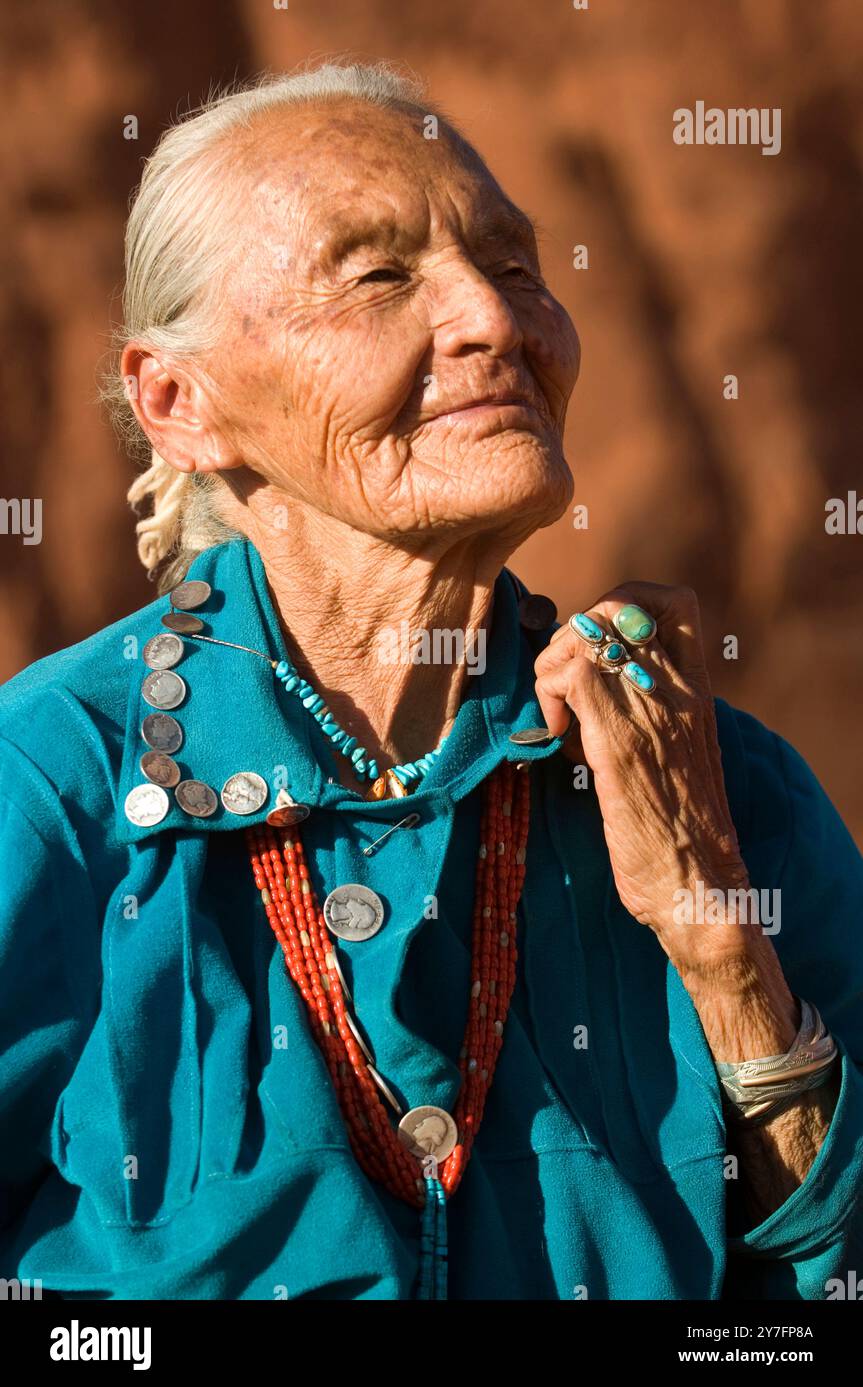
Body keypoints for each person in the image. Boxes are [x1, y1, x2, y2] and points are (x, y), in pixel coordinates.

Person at [1, 61, 860, 1301]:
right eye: (379, 277)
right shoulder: (57, 784)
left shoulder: (714, 789)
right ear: (180, 403)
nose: (495, 321)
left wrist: (719, 949)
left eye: (513, 267)